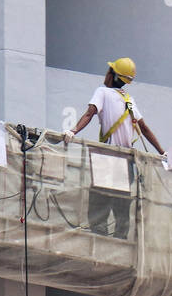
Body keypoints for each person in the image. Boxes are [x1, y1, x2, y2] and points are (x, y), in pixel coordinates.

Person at [62, 57, 166, 239]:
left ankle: (98, 236)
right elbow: (145, 129)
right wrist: (162, 152)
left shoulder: (102, 92)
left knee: (99, 199)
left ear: (112, 75)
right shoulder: (128, 99)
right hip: (126, 162)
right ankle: (120, 240)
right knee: (121, 204)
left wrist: (73, 130)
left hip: (106, 157)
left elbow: (89, 114)